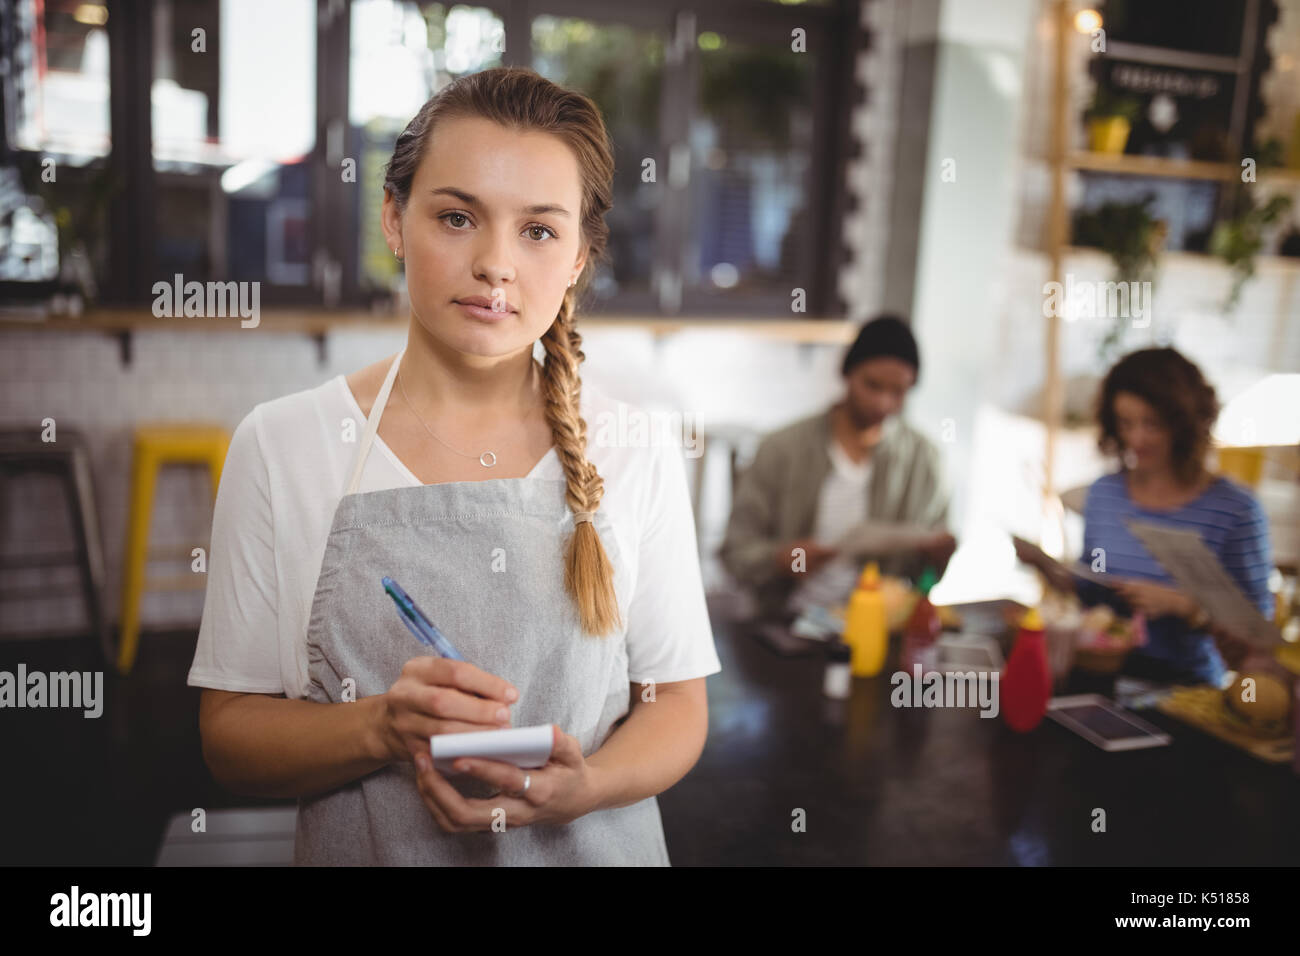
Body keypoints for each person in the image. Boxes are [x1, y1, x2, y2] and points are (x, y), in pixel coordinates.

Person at [187, 67, 720, 866]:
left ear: (579, 255)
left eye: (539, 230)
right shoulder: (281, 445)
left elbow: (676, 704)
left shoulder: (635, 446)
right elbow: (230, 739)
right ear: (395, 221)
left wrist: (591, 786)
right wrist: (378, 727)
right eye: (458, 217)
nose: (496, 265)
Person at [1017, 347, 1273, 687]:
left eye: (1152, 424)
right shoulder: (1104, 493)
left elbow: (1257, 641)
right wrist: (1048, 568)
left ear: (1184, 423)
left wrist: (1186, 607)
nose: (1136, 438)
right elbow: (1090, 592)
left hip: (1183, 690)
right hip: (1099, 673)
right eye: (1126, 423)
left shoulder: (1236, 510)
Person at [720, 315, 954, 623]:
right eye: (872, 385)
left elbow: (927, 578)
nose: (883, 403)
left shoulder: (925, 461)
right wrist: (781, 559)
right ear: (846, 373)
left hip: (880, 627)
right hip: (785, 622)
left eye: (898, 392)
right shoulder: (781, 449)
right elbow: (736, 551)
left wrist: (939, 557)